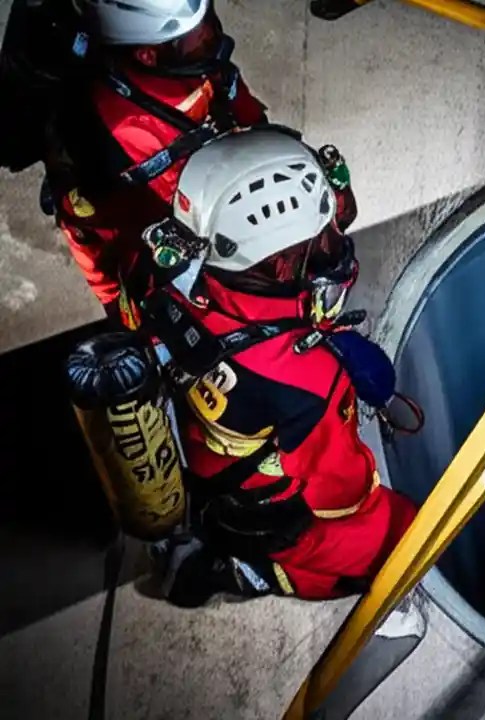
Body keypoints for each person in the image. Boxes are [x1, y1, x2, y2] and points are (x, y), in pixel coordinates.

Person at [130, 126, 412, 605]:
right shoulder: (309, 376)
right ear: (281, 266)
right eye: (320, 239)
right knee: (406, 537)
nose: (333, 242)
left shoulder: (167, 274)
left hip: (204, 469)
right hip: (268, 517)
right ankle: (248, 573)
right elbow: (341, 494)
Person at [43, 0, 295, 328]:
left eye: (208, 24)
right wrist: (112, 300)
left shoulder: (196, 64)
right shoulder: (105, 136)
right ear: (147, 54)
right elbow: (85, 229)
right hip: (170, 244)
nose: (210, 39)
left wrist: (263, 139)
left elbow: (240, 105)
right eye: (197, 38)